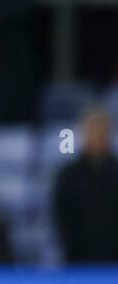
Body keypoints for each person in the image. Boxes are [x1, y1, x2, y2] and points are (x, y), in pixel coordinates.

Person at [52, 109, 118, 263]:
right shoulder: (68, 176)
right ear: (84, 132)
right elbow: (62, 217)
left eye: (102, 129)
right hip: (78, 262)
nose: (98, 135)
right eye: (93, 129)